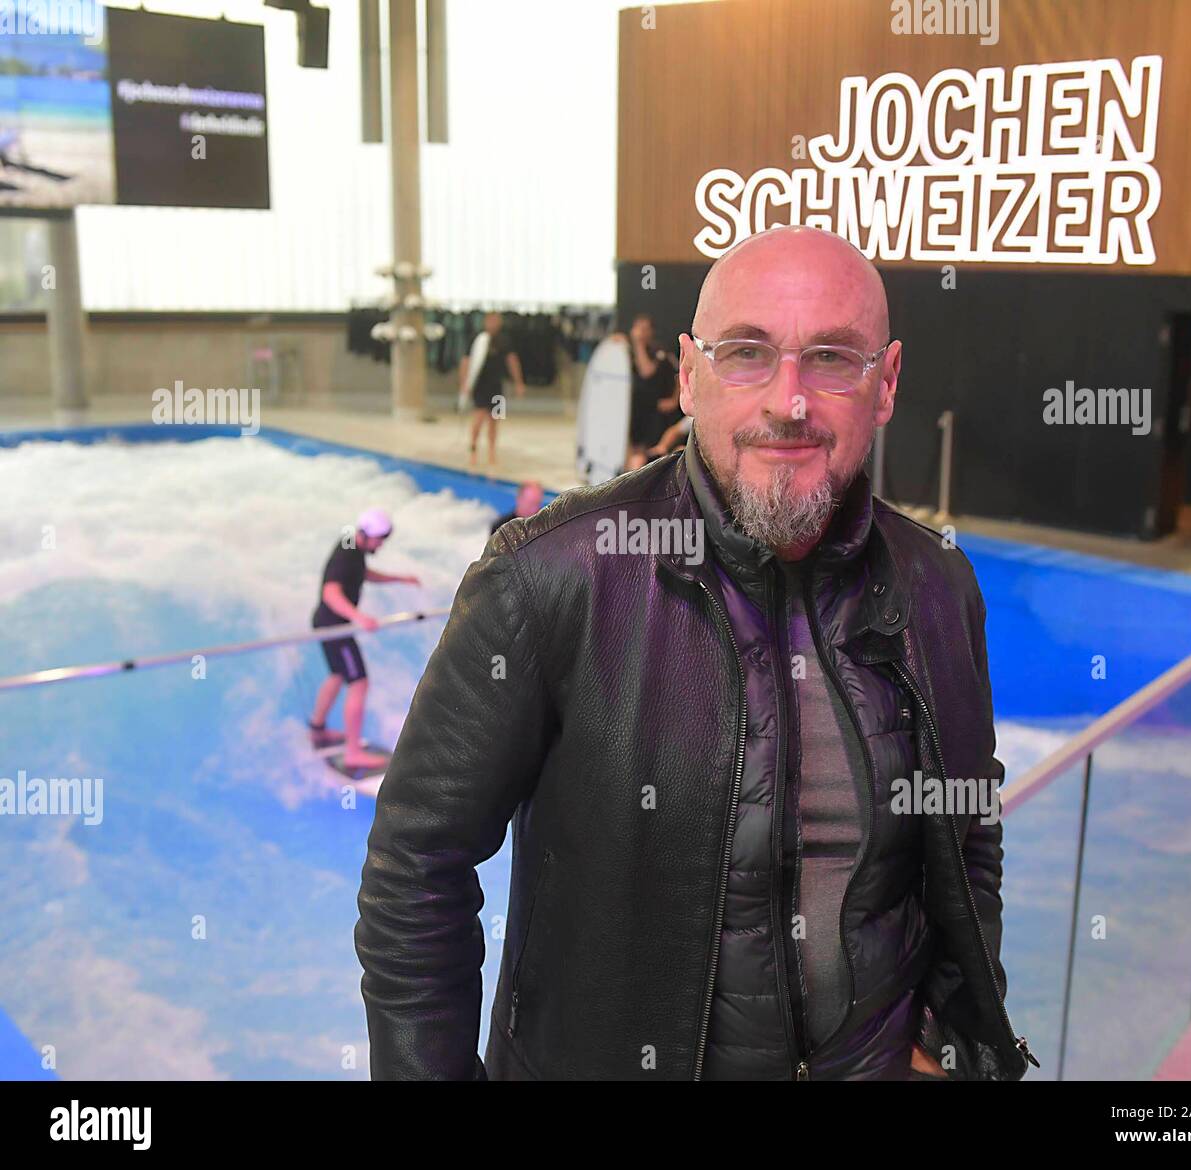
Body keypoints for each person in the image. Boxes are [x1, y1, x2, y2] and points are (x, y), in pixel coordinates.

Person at [356, 225, 1034, 1081]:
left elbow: (967, 833)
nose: (789, 402)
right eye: (747, 353)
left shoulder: (937, 586)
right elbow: (416, 869)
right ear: (688, 374)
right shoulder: (552, 578)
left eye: (831, 359)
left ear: (887, 382)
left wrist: (945, 1036)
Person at [308, 507, 419, 771]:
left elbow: (361, 574)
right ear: (367, 535)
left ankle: (317, 730)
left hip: (326, 623)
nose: (381, 545)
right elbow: (330, 593)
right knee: (359, 682)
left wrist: (399, 579)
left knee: (338, 675)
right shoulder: (347, 554)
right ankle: (353, 754)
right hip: (336, 628)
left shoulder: (353, 547)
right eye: (380, 539)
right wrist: (359, 617)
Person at [460, 312, 526, 470]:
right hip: (480, 386)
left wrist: (518, 382)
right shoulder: (477, 338)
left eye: (496, 321)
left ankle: (491, 452)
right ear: (485, 322)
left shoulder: (504, 340)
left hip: (497, 386)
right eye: (491, 321)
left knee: (495, 420)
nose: (493, 324)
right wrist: (464, 383)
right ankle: (473, 449)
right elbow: (466, 361)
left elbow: (512, 361)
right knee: (478, 418)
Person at [623, 312, 681, 470]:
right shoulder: (627, 352)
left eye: (645, 329)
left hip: (656, 413)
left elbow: (647, 371)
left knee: (649, 453)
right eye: (638, 328)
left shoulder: (659, 351)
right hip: (635, 410)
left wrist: (674, 400)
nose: (640, 333)